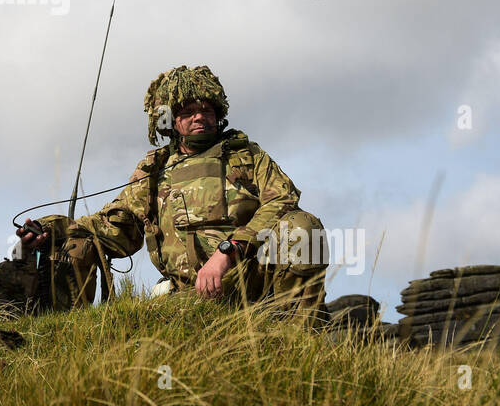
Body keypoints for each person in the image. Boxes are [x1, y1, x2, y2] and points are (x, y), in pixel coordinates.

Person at [18, 64, 328, 322]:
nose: (198, 116)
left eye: (206, 109)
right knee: (74, 244)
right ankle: (65, 335)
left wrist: (228, 251)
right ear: (169, 120)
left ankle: (298, 337)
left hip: (251, 280)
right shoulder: (154, 168)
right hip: (186, 298)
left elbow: (283, 200)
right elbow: (118, 227)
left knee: (302, 226)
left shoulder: (246, 156)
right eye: (188, 111)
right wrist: (52, 228)